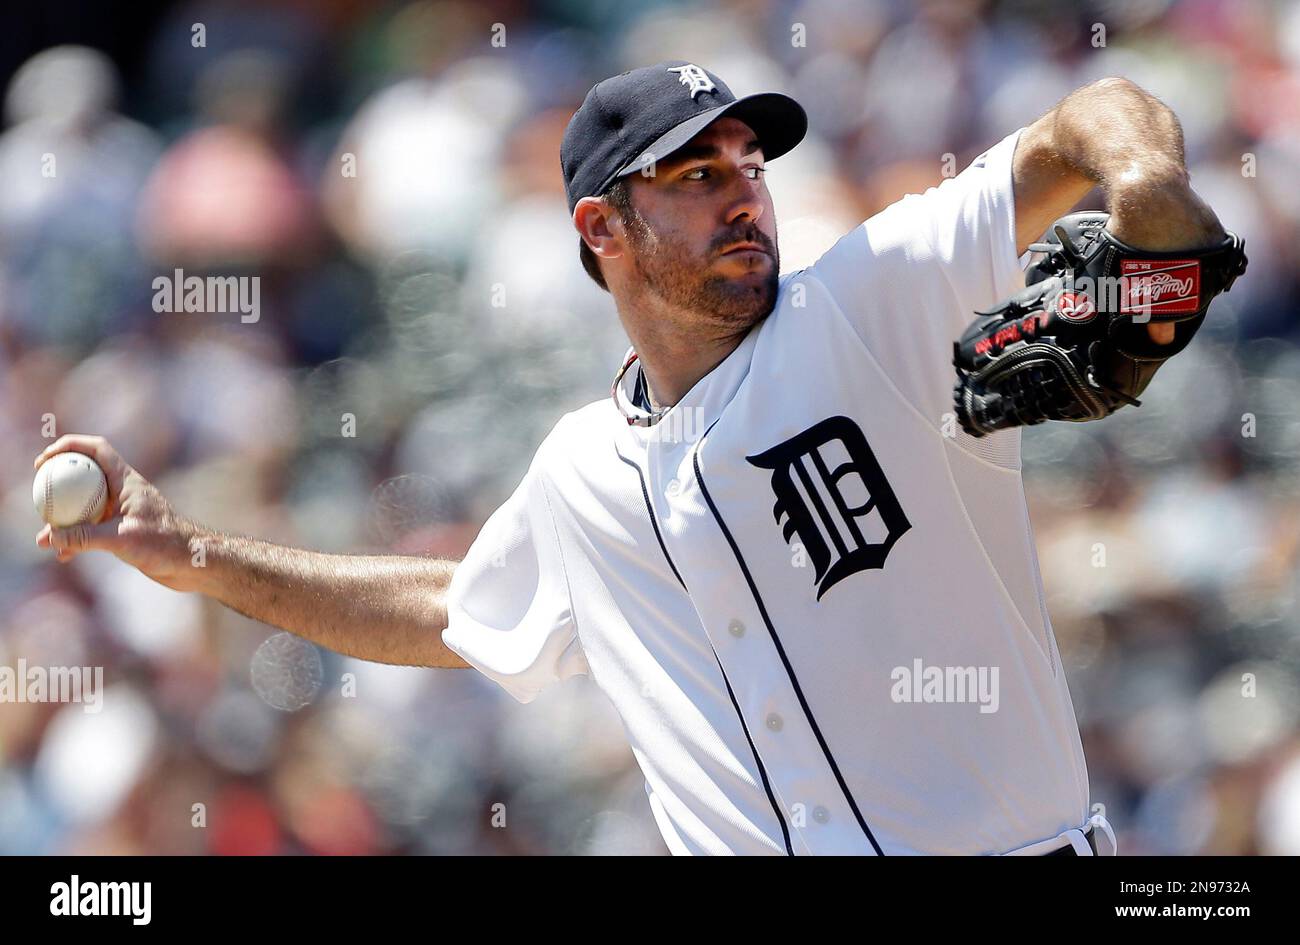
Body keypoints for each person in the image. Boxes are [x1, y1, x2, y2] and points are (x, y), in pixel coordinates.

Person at [37, 61, 1228, 855]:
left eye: (750, 167)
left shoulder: (866, 301)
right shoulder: (579, 475)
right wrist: (196, 554)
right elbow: (451, 610)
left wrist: (1149, 187)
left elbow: (1098, 112)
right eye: (697, 175)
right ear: (601, 228)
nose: (743, 196)